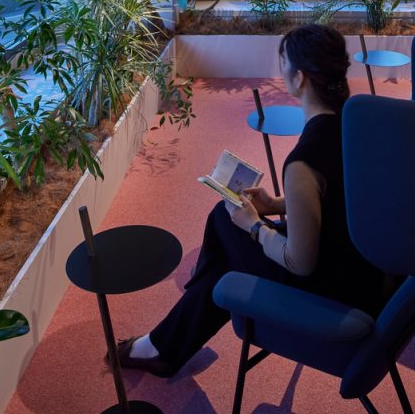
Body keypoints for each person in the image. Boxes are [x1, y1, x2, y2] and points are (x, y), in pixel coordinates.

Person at [115, 24, 389, 377]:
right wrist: (274, 205)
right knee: (223, 216)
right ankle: (171, 335)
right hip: (364, 270)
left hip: (332, 290)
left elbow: (300, 263)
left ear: (300, 78)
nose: (282, 70)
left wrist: (256, 227)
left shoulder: (303, 162)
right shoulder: (355, 124)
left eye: (283, 62)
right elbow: (341, 195)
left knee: (227, 243)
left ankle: (167, 338)